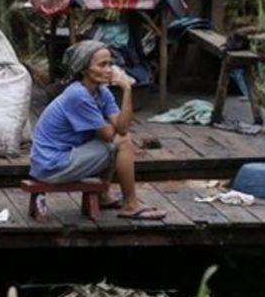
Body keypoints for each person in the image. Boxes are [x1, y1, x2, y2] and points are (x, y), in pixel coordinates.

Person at [30, 39, 166, 219]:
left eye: (110, 64)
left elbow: (123, 126)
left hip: (68, 156)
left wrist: (127, 90)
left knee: (119, 139)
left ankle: (103, 196)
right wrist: (113, 125)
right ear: (84, 69)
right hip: (51, 164)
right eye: (102, 65)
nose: (108, 69)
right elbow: (111, 134)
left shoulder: (102, 91)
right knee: (121, 142)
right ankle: (130, 204)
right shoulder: (77, 94)